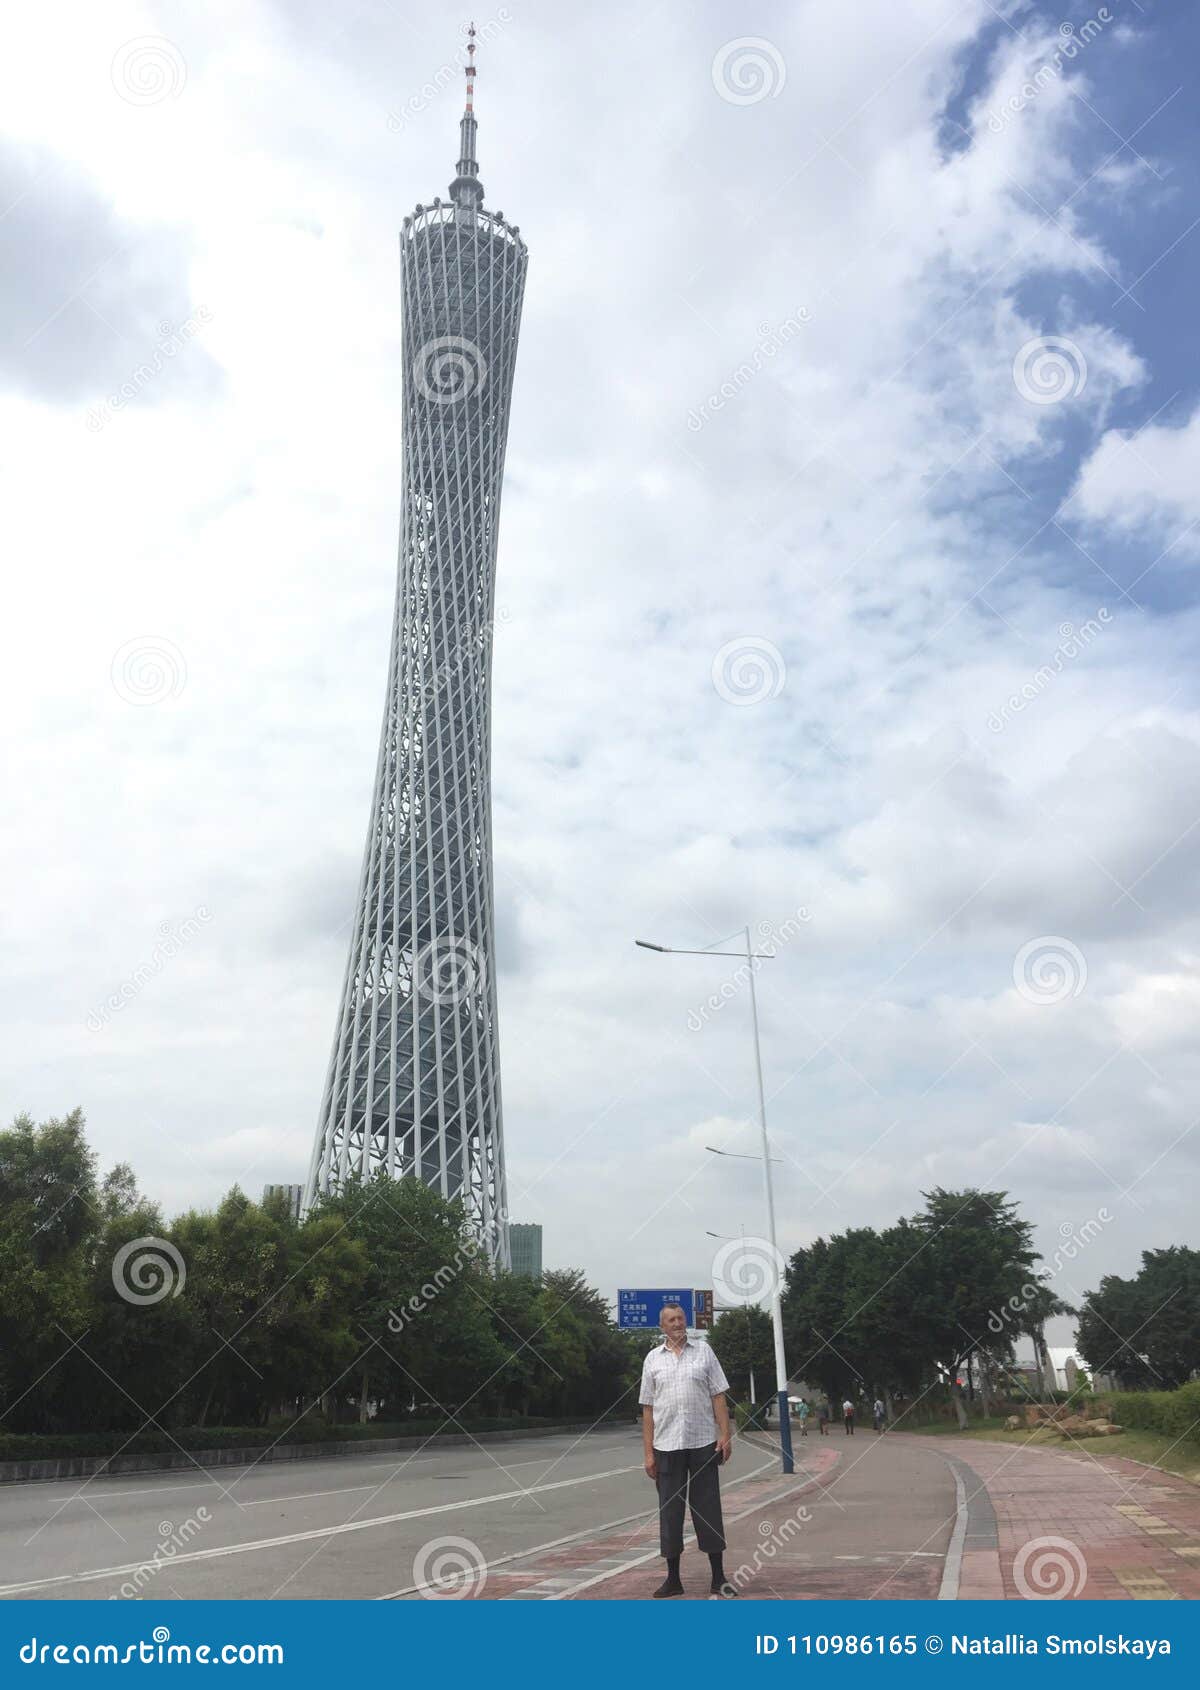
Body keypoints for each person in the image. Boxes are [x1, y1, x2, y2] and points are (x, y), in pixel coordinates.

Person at [639, 1303, 735, 1600]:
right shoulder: (652, 1359)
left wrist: (725, 1434)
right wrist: (648, 1453)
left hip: (703, 1442)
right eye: (671, 1320)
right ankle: (673, 1579)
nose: (677, 1323)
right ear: (662, 1327)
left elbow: (718, 1395)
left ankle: (718, 1578)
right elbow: (648, 1409)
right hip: (666, 1445)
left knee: (708, 1510)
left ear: (686, 1322)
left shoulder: (704, 1352)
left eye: (680, 1318)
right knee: (670, 1513)